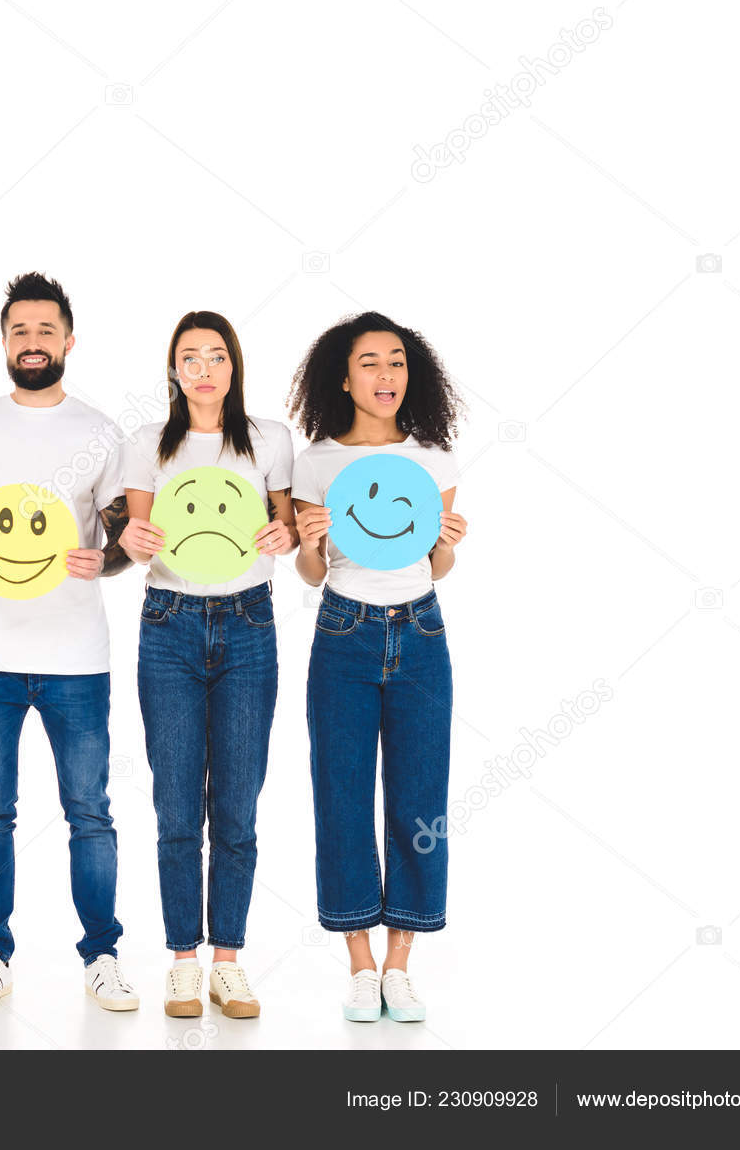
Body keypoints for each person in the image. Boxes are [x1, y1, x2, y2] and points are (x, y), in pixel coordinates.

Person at [0, 272, 139, 1011]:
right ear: (4, 341)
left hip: (77, 659)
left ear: (69, 340)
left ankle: (103, 955)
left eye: (46, 330)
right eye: (20, 331)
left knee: (90, 809)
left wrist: (106, 559)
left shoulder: (99, 432)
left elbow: (124, 541)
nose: (32, 342)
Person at [287, 310, 468, 1023]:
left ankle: (401, 965)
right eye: (370, 362)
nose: (385, 375)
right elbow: (308, 570)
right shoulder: (316, 462)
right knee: (342, 795)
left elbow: (436, 564)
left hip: (421, 631)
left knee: (421, 799)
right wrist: (309, 539)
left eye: (396, 361)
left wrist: (450, 541)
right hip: (343, 630)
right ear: (344, 376)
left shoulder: (435, 459)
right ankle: (359, 965)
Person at [119, 311, 296, 1019]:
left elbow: (285, 526)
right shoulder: (147, 446)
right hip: (169, 624)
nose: (203, 368)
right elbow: (135, 541)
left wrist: (283, 532)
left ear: (234, 366)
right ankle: (182, 962)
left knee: (239, 801)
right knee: (175, 803)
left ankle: (229, 959)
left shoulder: (269, 442)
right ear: (173, 371)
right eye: (189, 357)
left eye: (215, 355)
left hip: (249, 623)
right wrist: (132, 537)